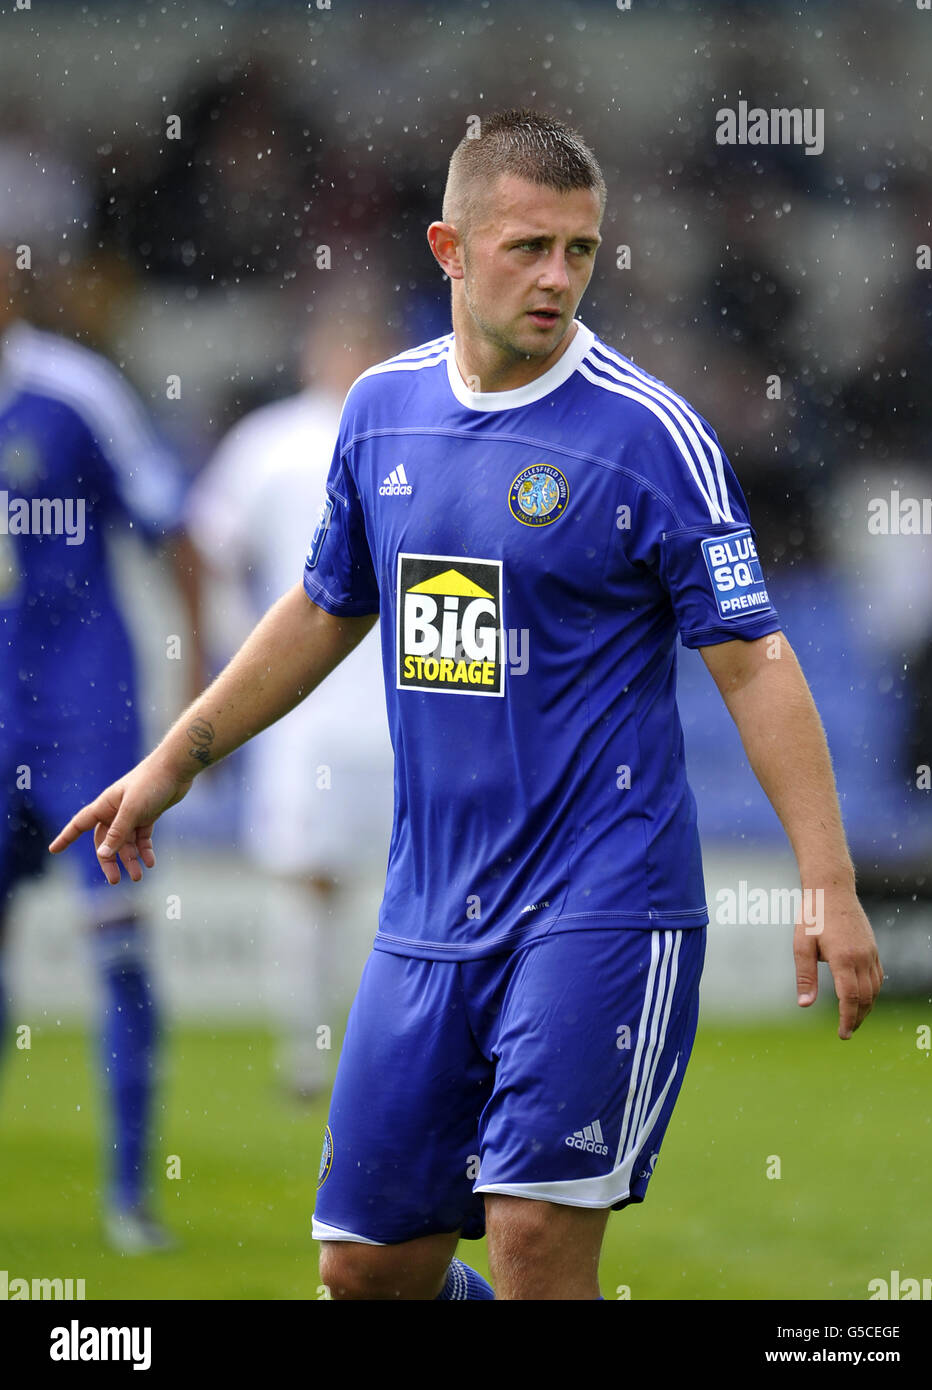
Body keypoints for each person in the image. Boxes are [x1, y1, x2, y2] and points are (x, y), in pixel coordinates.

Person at [50, 109, 883, 1300]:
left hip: (602, 904)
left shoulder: (647, 435)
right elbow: (327, 605)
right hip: (429, 906)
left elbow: (753, 660)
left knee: (534, 1241)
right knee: (365, 1270)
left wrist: (827, 879)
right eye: (527, 247)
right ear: (448, 248)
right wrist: (175, 761)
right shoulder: (382, 411)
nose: (557, 278)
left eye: (580, 252)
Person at [0, 237, 201, 1252]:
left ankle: (130, 1195)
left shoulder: (78, 394)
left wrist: (202, 677)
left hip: (87, 722)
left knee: (116, 953)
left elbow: (176, 524)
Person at [184, 293, 393, 1097]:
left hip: (407, 706)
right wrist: (239, 636)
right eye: (343, 345)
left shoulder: (420, 430)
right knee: (310, 881)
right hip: (304, 711)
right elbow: (206, 542)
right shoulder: (270, 442)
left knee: (409, 894)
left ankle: (385, 1063)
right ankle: (306, 1060)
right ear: (316, 354)